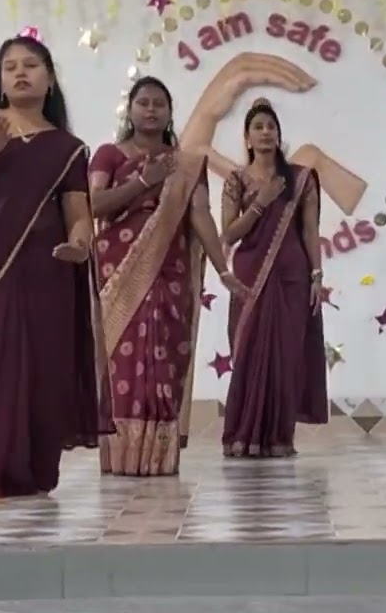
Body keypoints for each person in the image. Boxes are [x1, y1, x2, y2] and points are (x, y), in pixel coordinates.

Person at [0, 35, 103, 500]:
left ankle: (28, 471)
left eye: (31, 65)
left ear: (49, 79)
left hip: (48, 267)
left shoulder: (69, 147)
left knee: (42, 366)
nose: (20, 73)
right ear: (0, 78)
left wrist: (80, 244)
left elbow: (77, 210)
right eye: (9, 66)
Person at [88, 76, 248, 477]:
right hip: (119, 269)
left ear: (170, 111)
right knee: (120, 362)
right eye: (143, 102)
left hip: (170, 272)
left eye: (160, 103)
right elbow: (95, 204)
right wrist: (145, 181)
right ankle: (120, 455)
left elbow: (200, 216)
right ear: (131, 110)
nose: (151, 109)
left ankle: (159, 456)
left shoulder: (187, 163)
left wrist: (224, 268)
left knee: (164, 356)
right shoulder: (108, 155)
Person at [218, 97, 329, 457]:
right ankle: (243, 434)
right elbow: (229, 233)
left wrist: (316, 274)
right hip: (252, 274)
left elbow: (310, 231)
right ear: (247, 137)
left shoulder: (299, 179)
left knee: (286, 356)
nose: (266, 132)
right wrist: (261, 203)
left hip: (293, 276)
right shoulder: (236, 179)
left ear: (279, 135)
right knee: (249, 353)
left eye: (271, 127)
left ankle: (280, 437)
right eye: (258, 127)